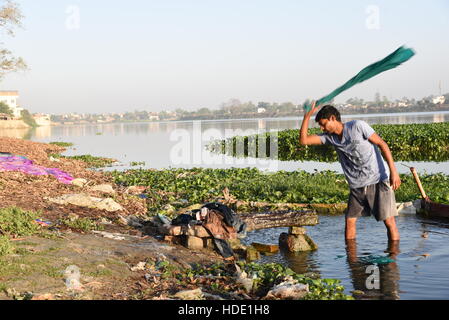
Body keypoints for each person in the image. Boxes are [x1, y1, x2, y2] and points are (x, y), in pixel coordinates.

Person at [299, 102, 401, 241]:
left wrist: (393, 172)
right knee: (350, 221)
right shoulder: (330, 138)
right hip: (356, 186)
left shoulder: (357, 126)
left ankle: (393, 257)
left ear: (333, 118)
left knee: (389, 222)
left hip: (377, 180)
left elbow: (382, 144)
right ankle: (352, 260)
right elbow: (304, 140)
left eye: (323, 124)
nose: (322, 128)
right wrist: (307, 116)